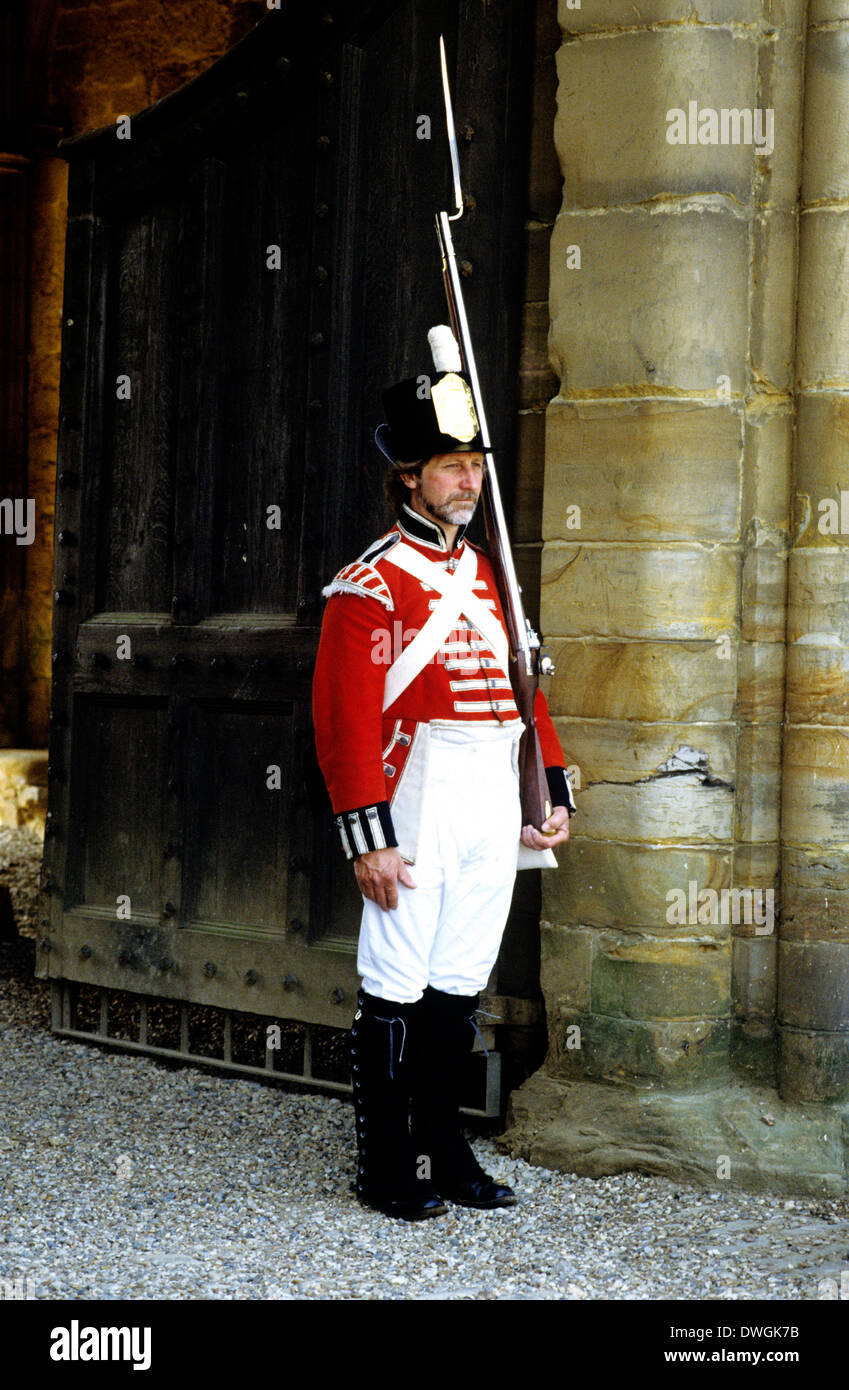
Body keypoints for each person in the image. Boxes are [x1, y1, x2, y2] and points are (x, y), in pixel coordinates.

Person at [311, 360, 575, 1221]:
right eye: (452, 466)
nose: (470, 480)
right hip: (416, 792)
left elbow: (523, 689)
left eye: (475, 464)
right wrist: (369, 837)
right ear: (409, 478)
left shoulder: (493, 576)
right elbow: (342, 722)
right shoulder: (370, 583)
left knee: (460, 978)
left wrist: (547, 794)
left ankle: (445, 1149)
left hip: (492, 784)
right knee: (396, 980)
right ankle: (386, 1162)